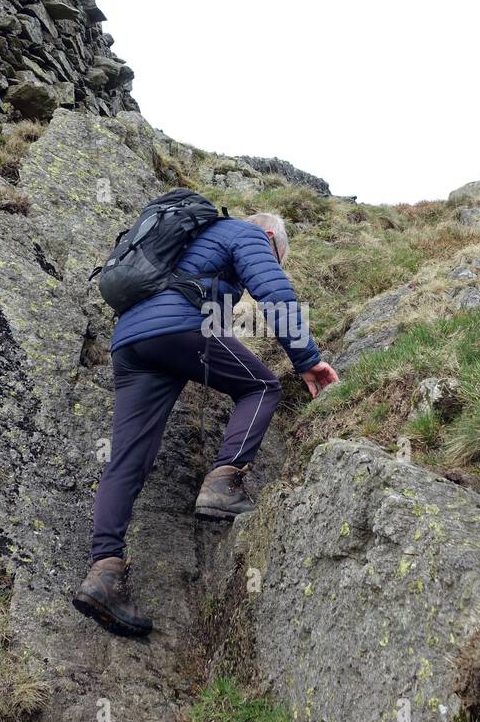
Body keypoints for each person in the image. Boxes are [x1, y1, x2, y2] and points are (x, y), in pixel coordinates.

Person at [73, 205, 338, 636]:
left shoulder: (189, 242)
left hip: (130, 345)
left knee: (126, 459)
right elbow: (274, 293)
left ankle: (103, 573)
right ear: (271, 240)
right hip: (179, 330)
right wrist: (308, 359)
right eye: (278, 256)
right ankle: (223, 484)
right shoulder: (248, 234)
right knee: (261, 387)